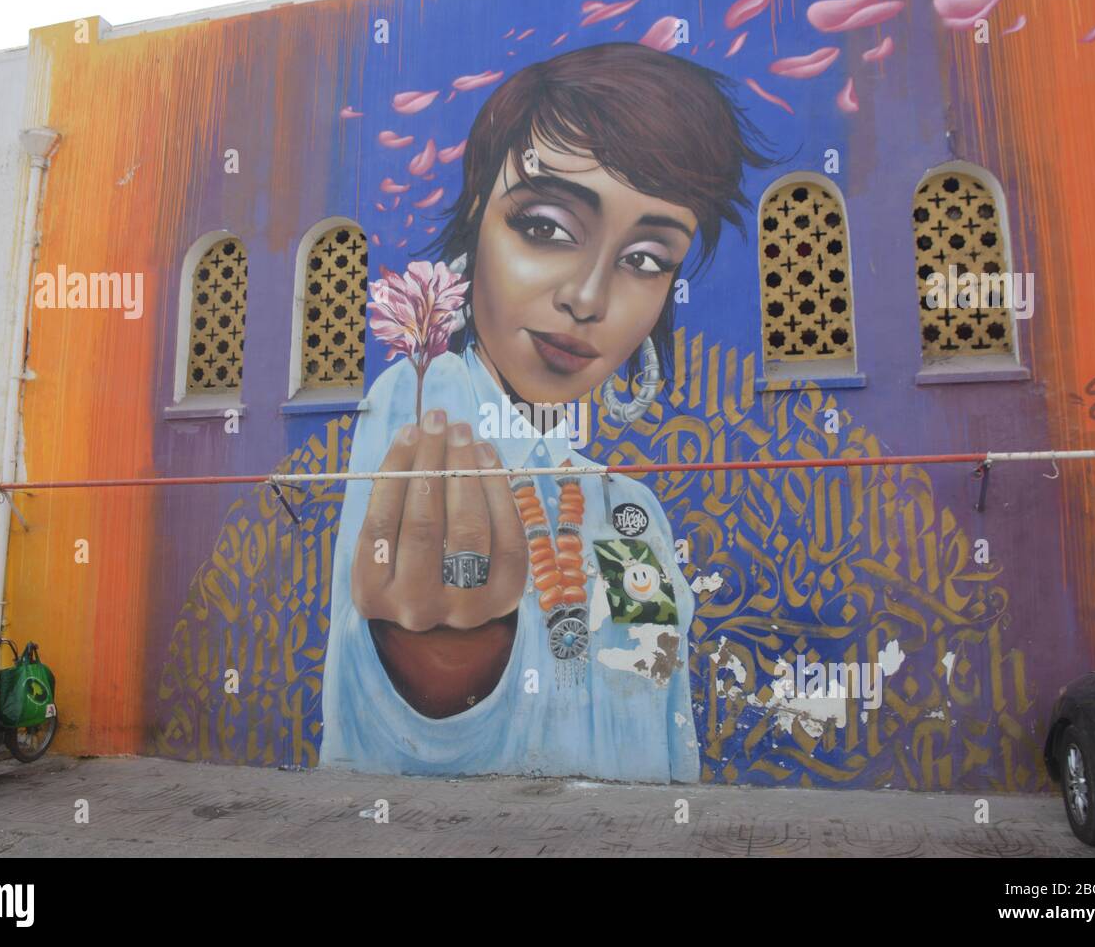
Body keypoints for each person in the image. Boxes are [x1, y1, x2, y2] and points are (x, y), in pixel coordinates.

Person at [320, 42, 772, 781]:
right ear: (477, 212)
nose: (588, 298)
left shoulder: (633, 518)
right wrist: (442, 670)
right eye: (548, 228)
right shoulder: (423, 403)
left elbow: (658, 716)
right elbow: (380, 716)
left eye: (646, 259)